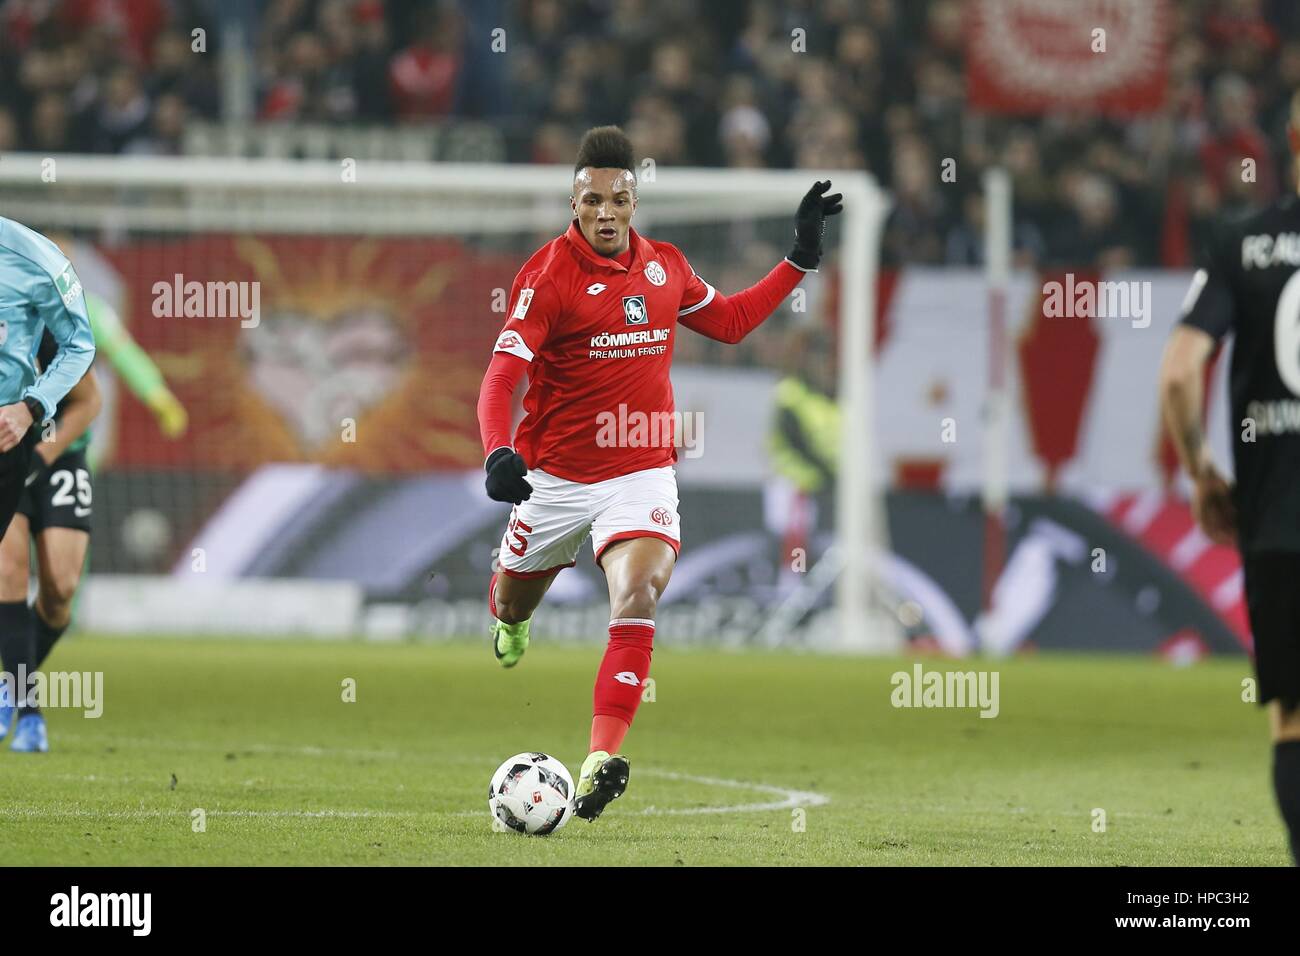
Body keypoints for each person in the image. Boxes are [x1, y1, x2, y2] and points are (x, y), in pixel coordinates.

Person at [476, 125, 841, 820]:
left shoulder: (665, 267)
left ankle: (599, 757)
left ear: (634, 203)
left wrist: (800, 258)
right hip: (553, 477)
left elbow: (731, 322)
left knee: (638, 592)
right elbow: (501, 378)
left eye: (618, 199)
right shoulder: (547, 277)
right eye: (592, 200)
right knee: (511, 602)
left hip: (640, 471)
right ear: (574, 204)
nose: (606, 212)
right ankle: (512, 618)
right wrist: (498, 452)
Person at [1158, 90, 1300, 864]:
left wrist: (1201, 470)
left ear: (1289, 141)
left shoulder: (1241, 244)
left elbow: (1181, 373)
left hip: (1277, 523)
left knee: (1293, 722)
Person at [0, 217, 96, 748]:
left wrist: (44, 449)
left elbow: (90, 400)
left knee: (60, 588)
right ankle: (28, 709)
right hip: (11, 456)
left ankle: (11, 685)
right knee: (10, 572)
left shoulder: (49, 327)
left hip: (55, 459)